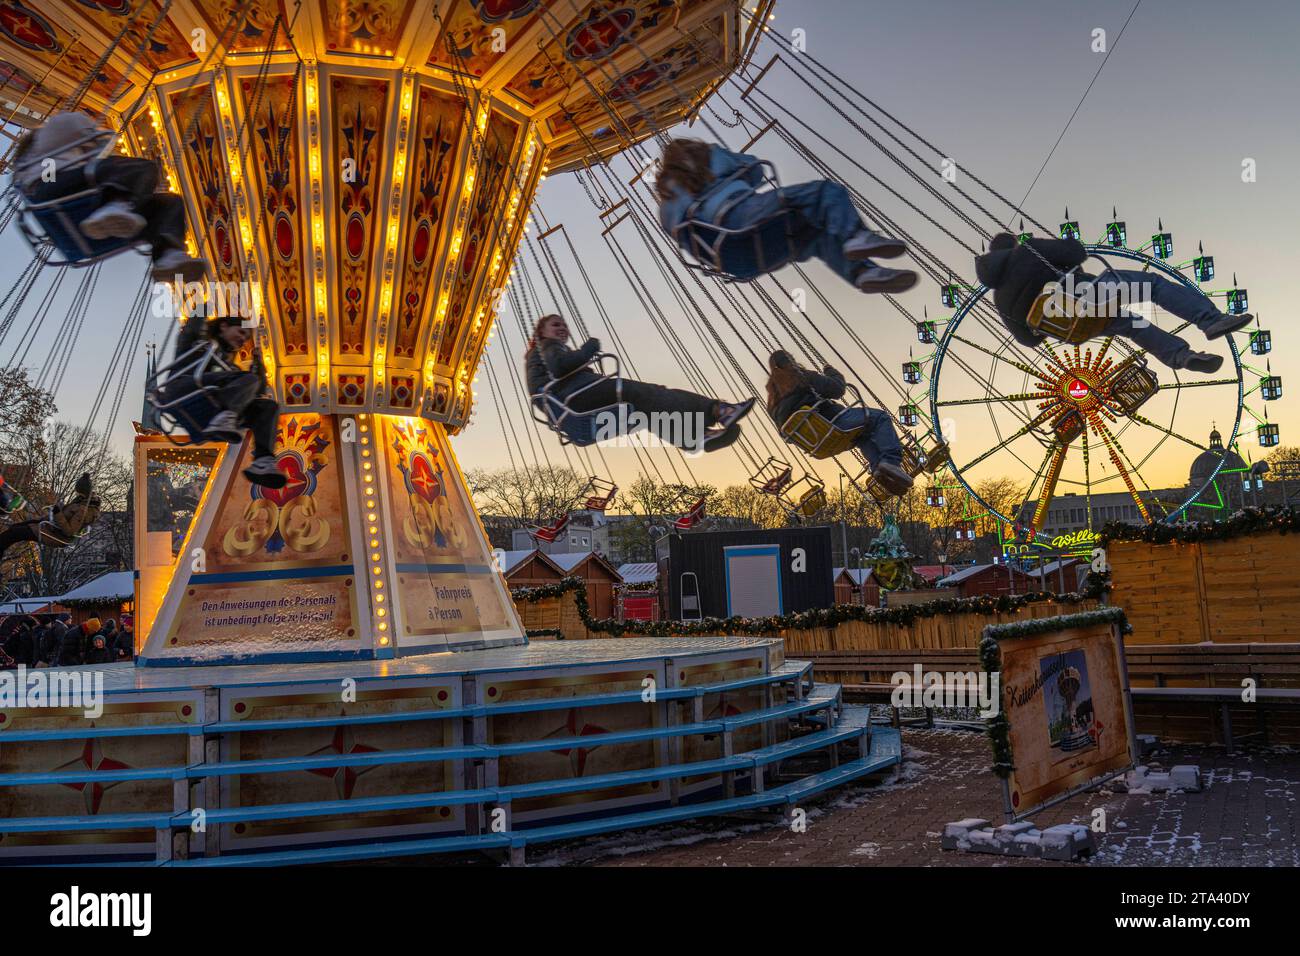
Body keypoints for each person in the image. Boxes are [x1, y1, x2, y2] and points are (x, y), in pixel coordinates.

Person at [656, 137, 918, 294]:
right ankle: (855, 236)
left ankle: (863, 272)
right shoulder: (710, 155)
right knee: (824, 193)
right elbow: (754, 169)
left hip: (733, 258)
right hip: (743, 220)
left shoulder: (667, 205)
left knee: (816, 233)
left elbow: (681, 234)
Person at [973, 233, 1254, 372]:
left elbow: (1028, 340)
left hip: (1074, 328)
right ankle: (1209, 320)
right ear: (1012, 246)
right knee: (1152, 286)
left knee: (1133, 324)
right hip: (1089, 297)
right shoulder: (1028, 250)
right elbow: (1076, 253)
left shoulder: (1000, 298)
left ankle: (1181, 357)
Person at [11, 111, 209, 281]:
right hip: (54, 187)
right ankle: (118, 206)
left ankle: (168, 256)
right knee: (141, 168)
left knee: (169, 202)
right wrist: (92, 137)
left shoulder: (35, 163)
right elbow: (74, 123)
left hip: (73, 230)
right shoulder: (46, 141)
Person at [525, 313, 755, 453]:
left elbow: (552, 377)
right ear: (542, 332)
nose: (562, 327)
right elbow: (559, 367)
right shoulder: (546, 348)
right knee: (651, 393)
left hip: (573, 402)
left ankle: (694, 437)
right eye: (556, 324)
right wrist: (588, 350)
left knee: (646, 413)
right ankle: (717, 410)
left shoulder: (545, 353)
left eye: (564, 324)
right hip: (577, 397)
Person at [157, 312, 287, 489]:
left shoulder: (229, 367)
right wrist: (202, 296)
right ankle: (225, 416)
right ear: (224, 326)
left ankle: (263, 460)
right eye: (241, 332)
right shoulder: (198, 343)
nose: (243, 340)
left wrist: (258, 364)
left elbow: (258, 392)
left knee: (268, 406)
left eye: (246, 337)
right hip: (184, 389)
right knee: (247, 380)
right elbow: (194, 323)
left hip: (208, 406)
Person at [765, 349, 914, 497]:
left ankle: (879, 470)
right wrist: (831, 372)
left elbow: (785, 434)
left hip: (815, 445)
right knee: (879, 418)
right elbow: (837, 389)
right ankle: (891, 461)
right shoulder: (801, 377)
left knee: (862, 435)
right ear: (791, 362)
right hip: (834, 423)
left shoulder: (772, 404)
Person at [0, 472, 101, 573]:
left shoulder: (84, 510)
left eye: (78, 492)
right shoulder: (82, 501)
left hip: (55, 535)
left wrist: (57, 513)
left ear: (82, 491)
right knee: (15, 527)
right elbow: (68, 515)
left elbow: (69, 531)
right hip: (52, 526)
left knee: (13, 534)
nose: (77, 493)